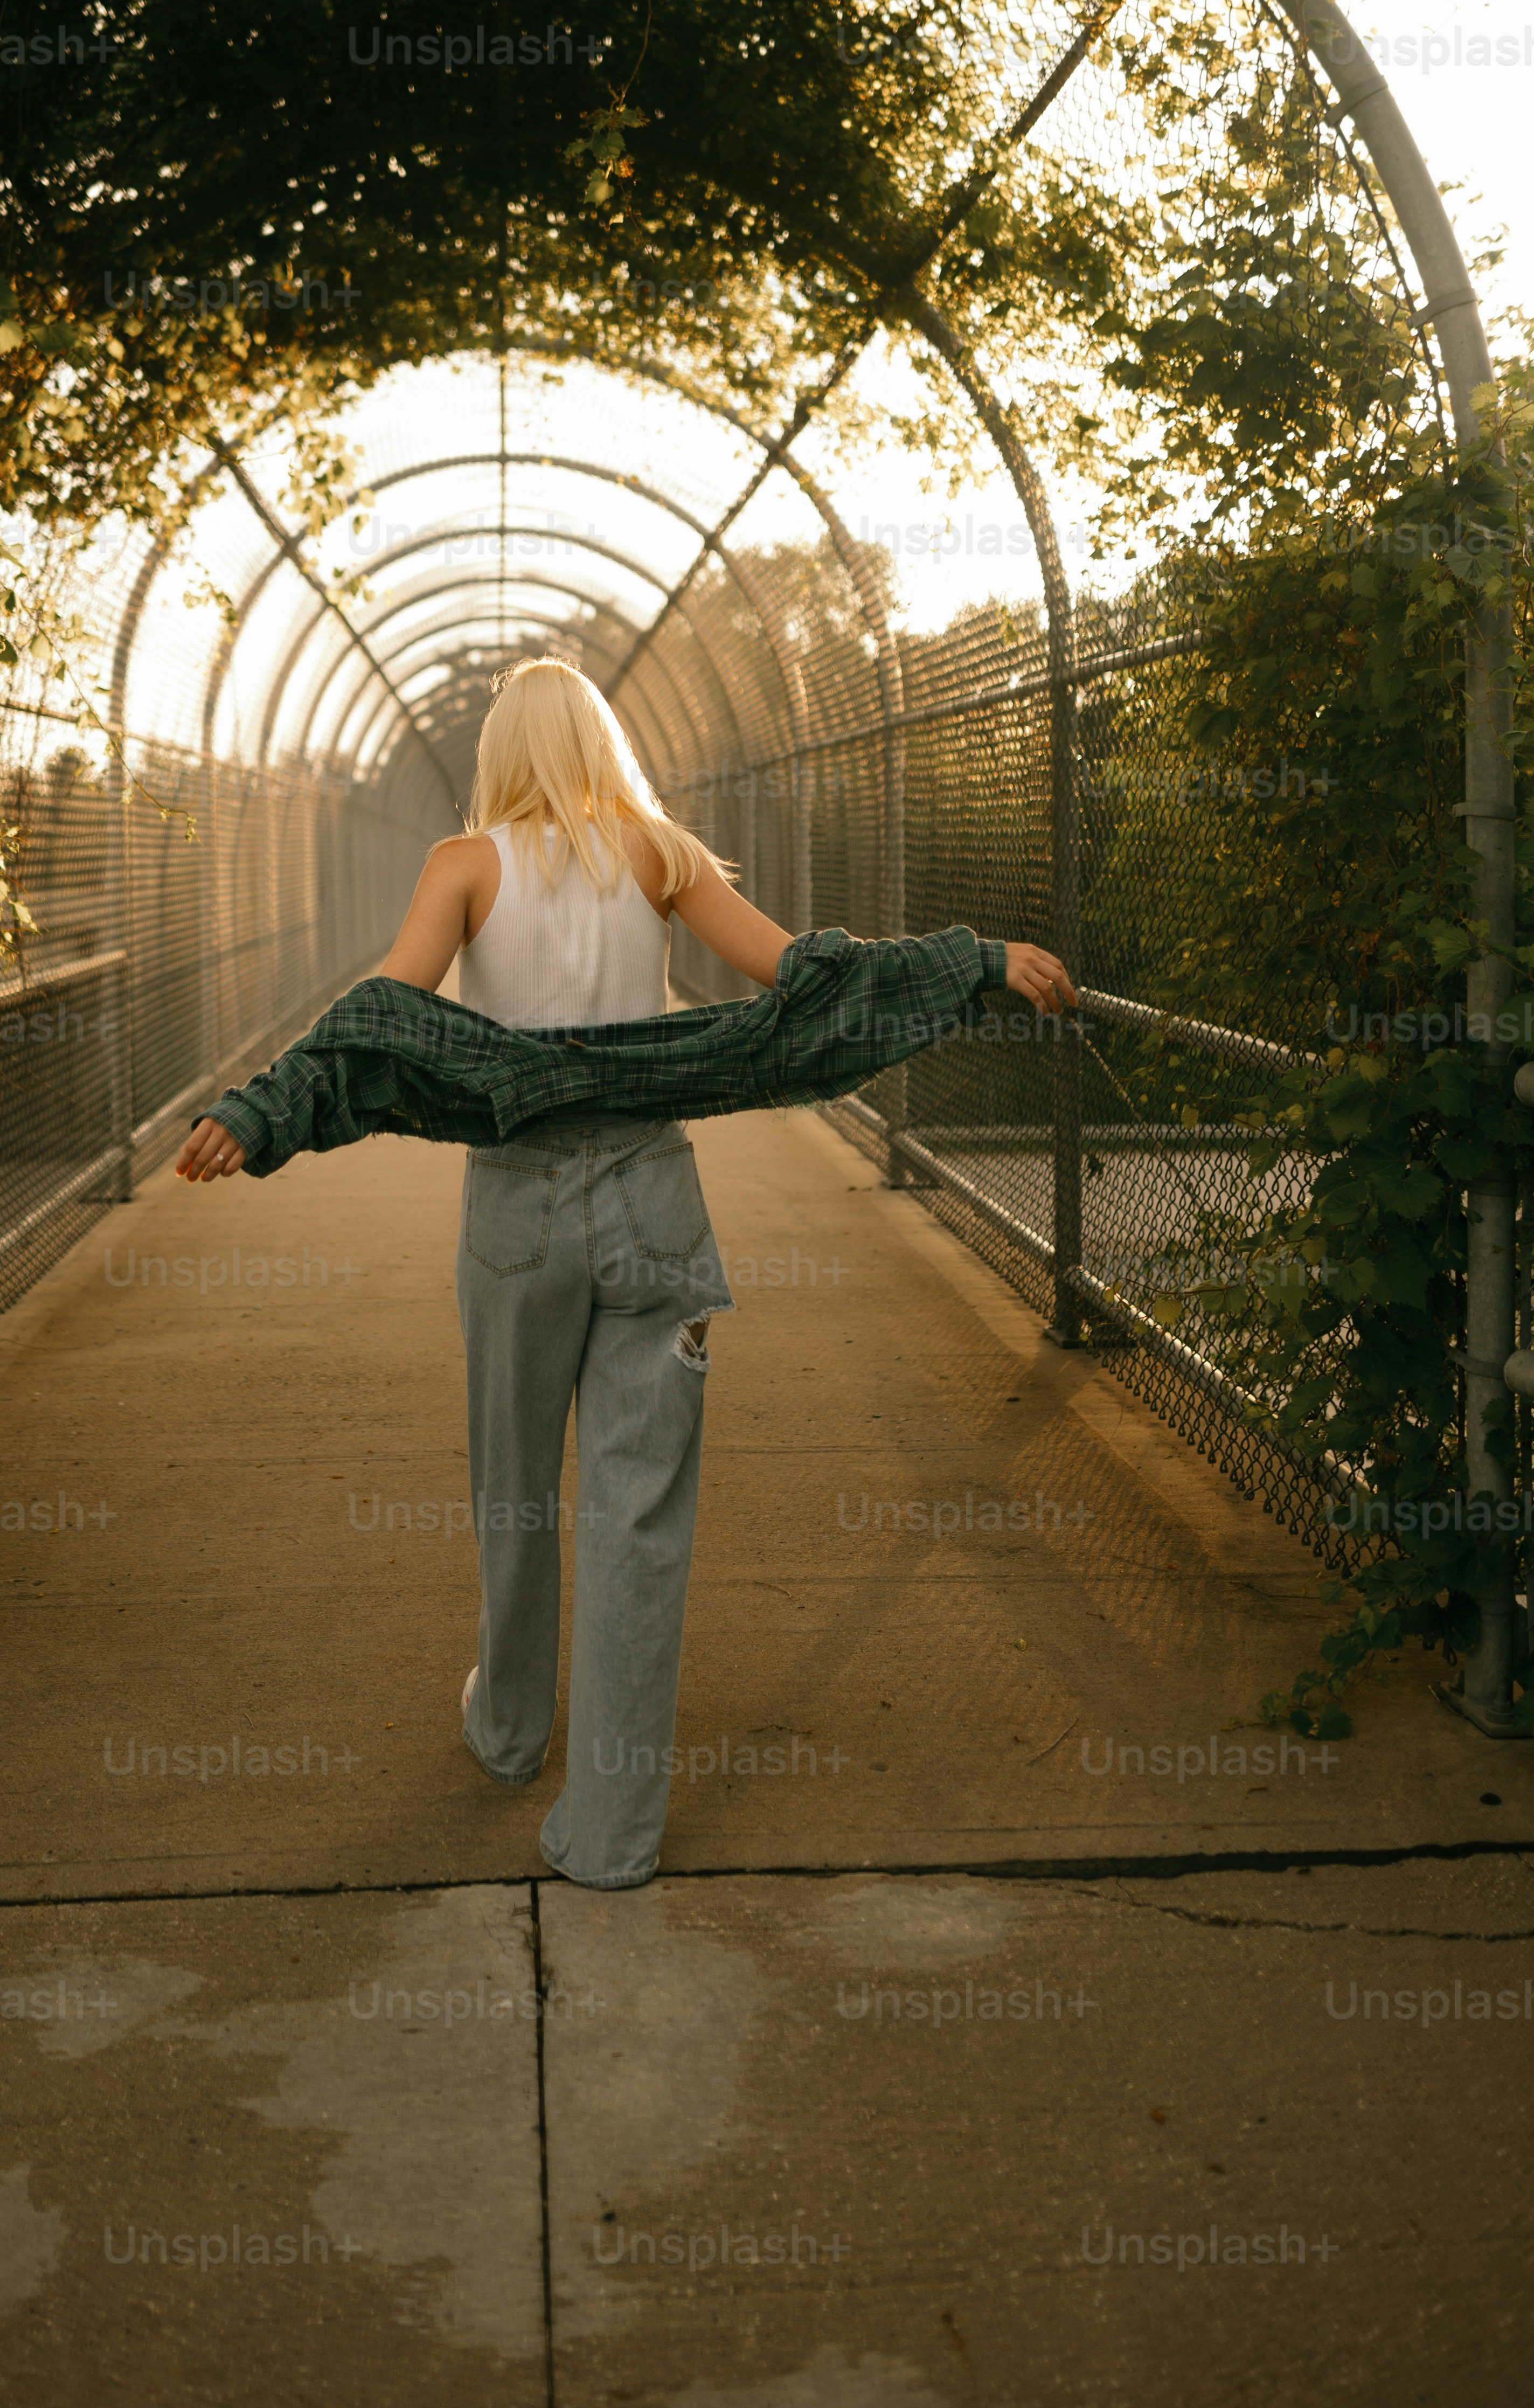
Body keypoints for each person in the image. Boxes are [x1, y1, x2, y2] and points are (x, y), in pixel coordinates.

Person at [175, 655, 1076, 1890]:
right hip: (653, 1202)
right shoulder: (657, 856)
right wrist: (972, 964)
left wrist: (260, 1115)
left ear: (500, 753)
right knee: (637, 1519)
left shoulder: (465, 866)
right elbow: (804, 982)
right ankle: (610, 1838)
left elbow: (383, 1023)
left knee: (512, 1487)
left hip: (517, 1215)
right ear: (601, 745)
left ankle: (506, 1732)